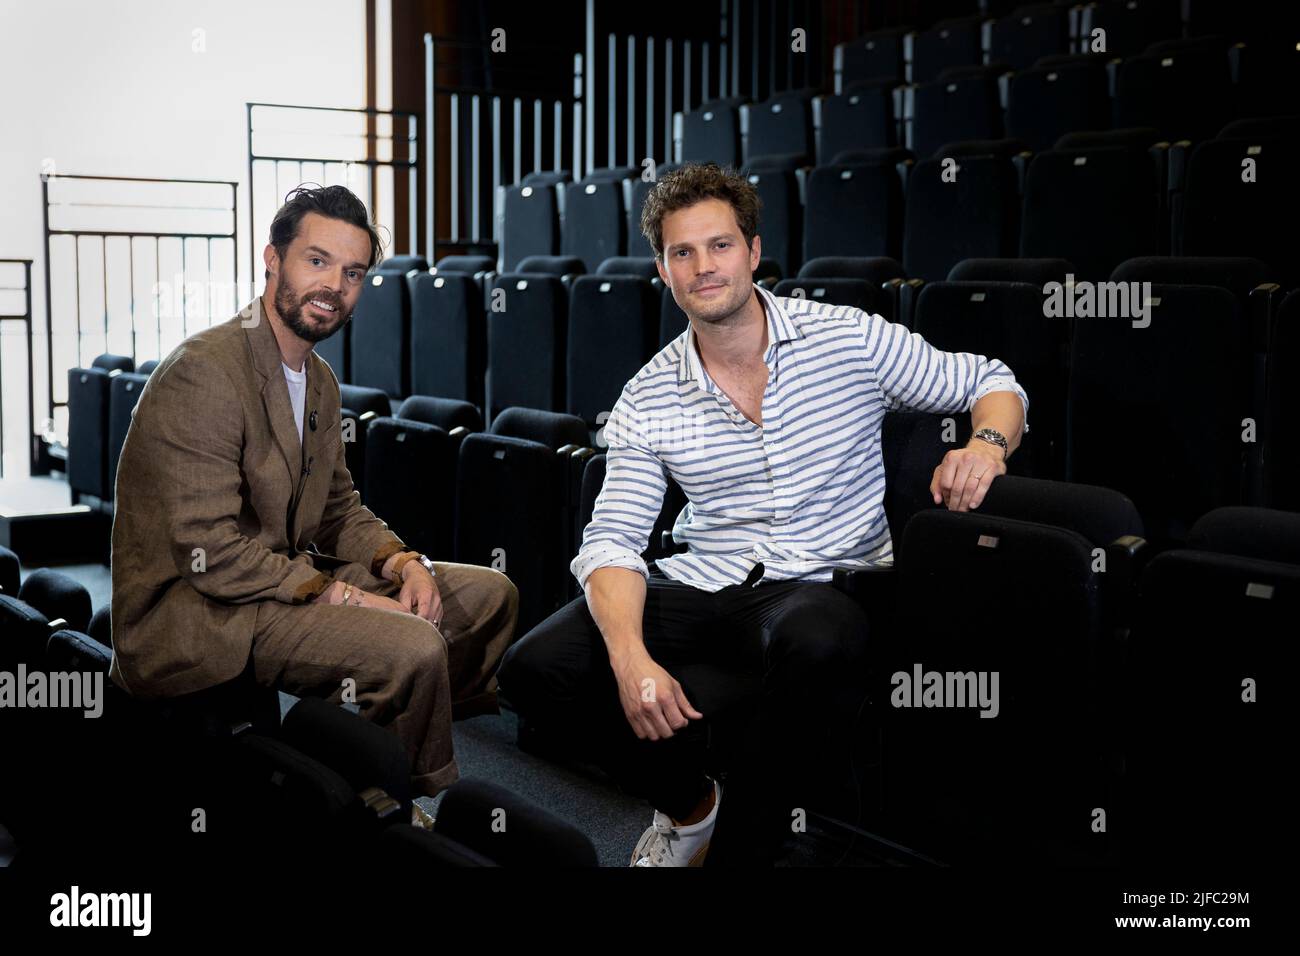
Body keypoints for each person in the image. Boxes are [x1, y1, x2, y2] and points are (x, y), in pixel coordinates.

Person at [498, 163, 1028, 866]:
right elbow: (614, 541)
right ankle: (692, 809)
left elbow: (992, 381)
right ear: (662, 268)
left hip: (818, 581)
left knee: (818, 639)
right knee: (532, 670)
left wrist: (986, 447)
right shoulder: (647, 396)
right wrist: (631, 661)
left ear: (752, 251)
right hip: (705, 579)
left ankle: (746, 849)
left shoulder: (849, 339)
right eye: (682, 252)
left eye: (719, 246)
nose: (703, 267)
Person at [110, 184, 517, 813]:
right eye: (317, 261)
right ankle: (395, 806)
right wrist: (344, 597)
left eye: (352, 272)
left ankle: (360, 760)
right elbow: (209, 552)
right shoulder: (205, 371)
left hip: (278, 579)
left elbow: (337, 509)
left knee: (489, 596)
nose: (334, 285)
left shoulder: (320, 380)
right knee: (410, 644)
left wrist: (402, 564)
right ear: (272, 260)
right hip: (201, 608)